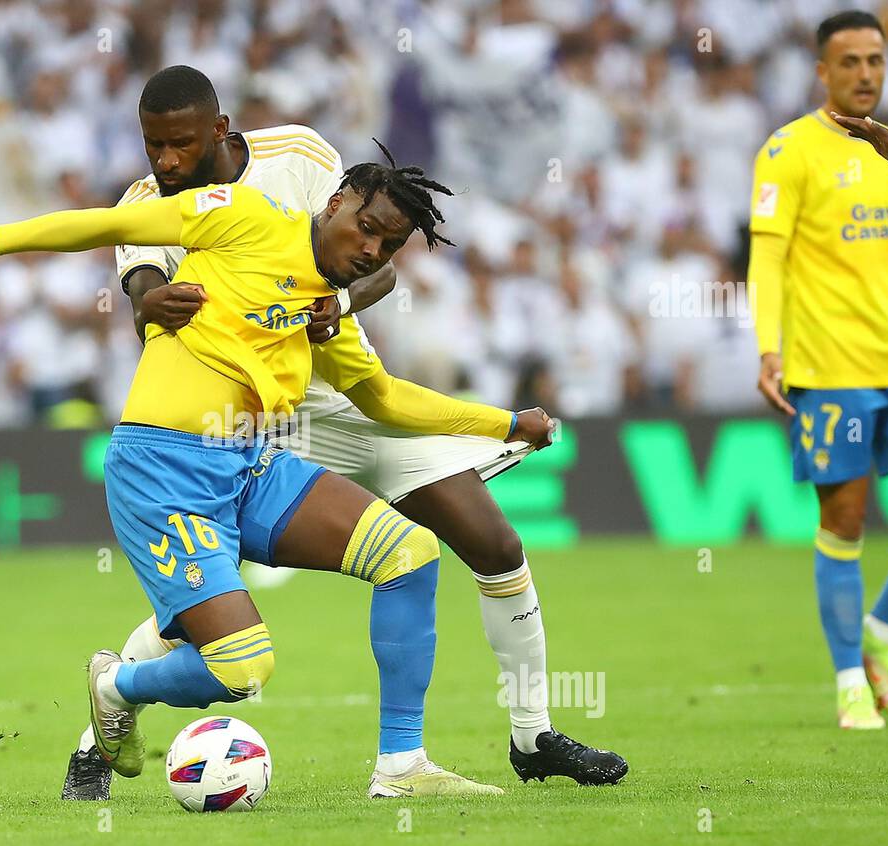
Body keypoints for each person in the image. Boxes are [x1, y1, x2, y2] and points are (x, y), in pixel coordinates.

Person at [0, 149, 590, 797]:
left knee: (409, 553)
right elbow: (111, 222)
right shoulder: (245, 215)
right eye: (367, 229)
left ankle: (401, 765)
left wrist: (504, 424)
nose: (371, 251)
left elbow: (385, 398)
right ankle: (117, 687)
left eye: (388, 248)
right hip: (162, 468)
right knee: (243, 667)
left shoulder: (327, 315)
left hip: (245, 465)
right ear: (334, 203)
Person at [55, 66, 627, 798]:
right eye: (152, 147)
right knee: (203, 606)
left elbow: (377, 258)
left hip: (351, 396)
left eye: (178, 146)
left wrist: (340, 302)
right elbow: (141, 291)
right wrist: (149, 302)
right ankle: (97, 740)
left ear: (218, 133)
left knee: (491, 542)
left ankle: (529, 736)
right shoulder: (145, 203)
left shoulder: (297, 154)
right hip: (250, 418)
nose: (163, 163)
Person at [748, 10, 888, 729]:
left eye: (875, 60)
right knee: (845, 519)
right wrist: (768, 347)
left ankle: (882, 636)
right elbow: (770, 257)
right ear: (822, 71)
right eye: (850, 62)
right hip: (832, 366)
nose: (866, 74)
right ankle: (850, 679)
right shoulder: (788, 151)